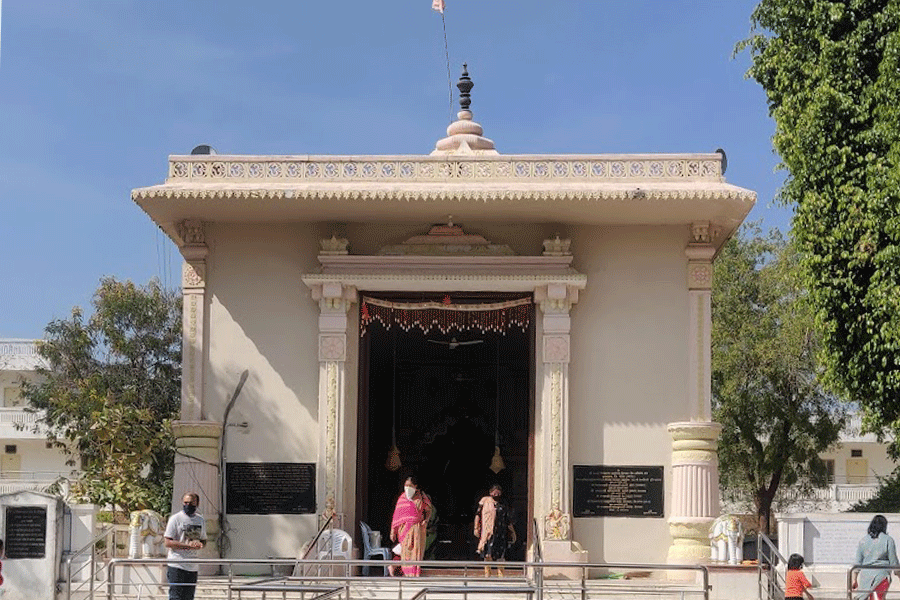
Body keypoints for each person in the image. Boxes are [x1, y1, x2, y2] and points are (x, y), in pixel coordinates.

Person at [164, 492, 207, 600]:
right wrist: (187, 546)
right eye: (185, 502)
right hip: (177, 564)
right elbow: (168, 542)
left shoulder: (200, 519)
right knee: (176, 597)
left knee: (189, 597)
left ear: (197, 503)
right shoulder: (175, 518)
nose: (188, 505)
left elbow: (204, 539)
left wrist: (200, 544)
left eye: (191, 503)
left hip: (192, 565)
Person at [390, 476, 432, 577]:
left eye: (410, 485)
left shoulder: (421, 497)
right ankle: (406, 573)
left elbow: (428, 510)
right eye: (406, 485)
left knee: (415, 553)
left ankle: (414, 573)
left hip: (417, 530)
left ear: (415, 486)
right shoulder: (402, 499)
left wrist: (425, 520)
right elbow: (396, 516)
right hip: (404, 530)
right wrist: (393, 531)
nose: (407, 488)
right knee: (405, 552)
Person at [852, 515, 900, 600]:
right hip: (881, 576)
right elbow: (894, 562)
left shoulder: (863, 540)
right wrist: (899, 575)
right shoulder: (888, 540)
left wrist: (854, 579)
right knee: (877, 598)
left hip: (865, 577)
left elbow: (858, 562)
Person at [474, 484, 516, 577]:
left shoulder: (503, 504)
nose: (495, 494)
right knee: (487, 554)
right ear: (490, 492)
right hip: (488, 531)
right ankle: (487, 573)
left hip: (501, 532)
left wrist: (512, 532)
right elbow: (478, 515)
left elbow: (507, 520)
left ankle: (500, 574)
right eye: (493, 492)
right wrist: (476, 527)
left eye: (498, 492)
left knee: (501, 555)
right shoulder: (485, 501)